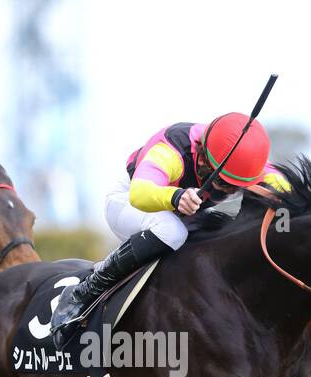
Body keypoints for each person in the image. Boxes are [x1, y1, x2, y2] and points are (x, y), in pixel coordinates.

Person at [51, 112, 288, 337]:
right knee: (172, 231)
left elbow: (284, 186)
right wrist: (176, 197)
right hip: (129, 203)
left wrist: (282, 210)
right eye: (224, 183)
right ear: (204, 157)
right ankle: (84, 291)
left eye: (235, 186)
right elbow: (140, 194)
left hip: (180, 217)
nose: (227, 191)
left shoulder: (245, 163)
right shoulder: (171, 150)